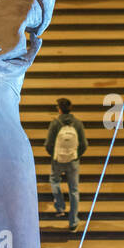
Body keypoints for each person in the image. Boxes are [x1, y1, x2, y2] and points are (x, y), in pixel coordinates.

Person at [46, 97, 88, 231]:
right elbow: (84, 144)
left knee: (54, 180)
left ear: (59, 109)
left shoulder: (55, 123)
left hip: (58, 160)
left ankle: (59, 206)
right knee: (74, 190)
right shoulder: (77, 123)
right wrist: (76, 155)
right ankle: (73, 222)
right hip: (73, 161)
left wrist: (55, 155)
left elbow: (48, 144)